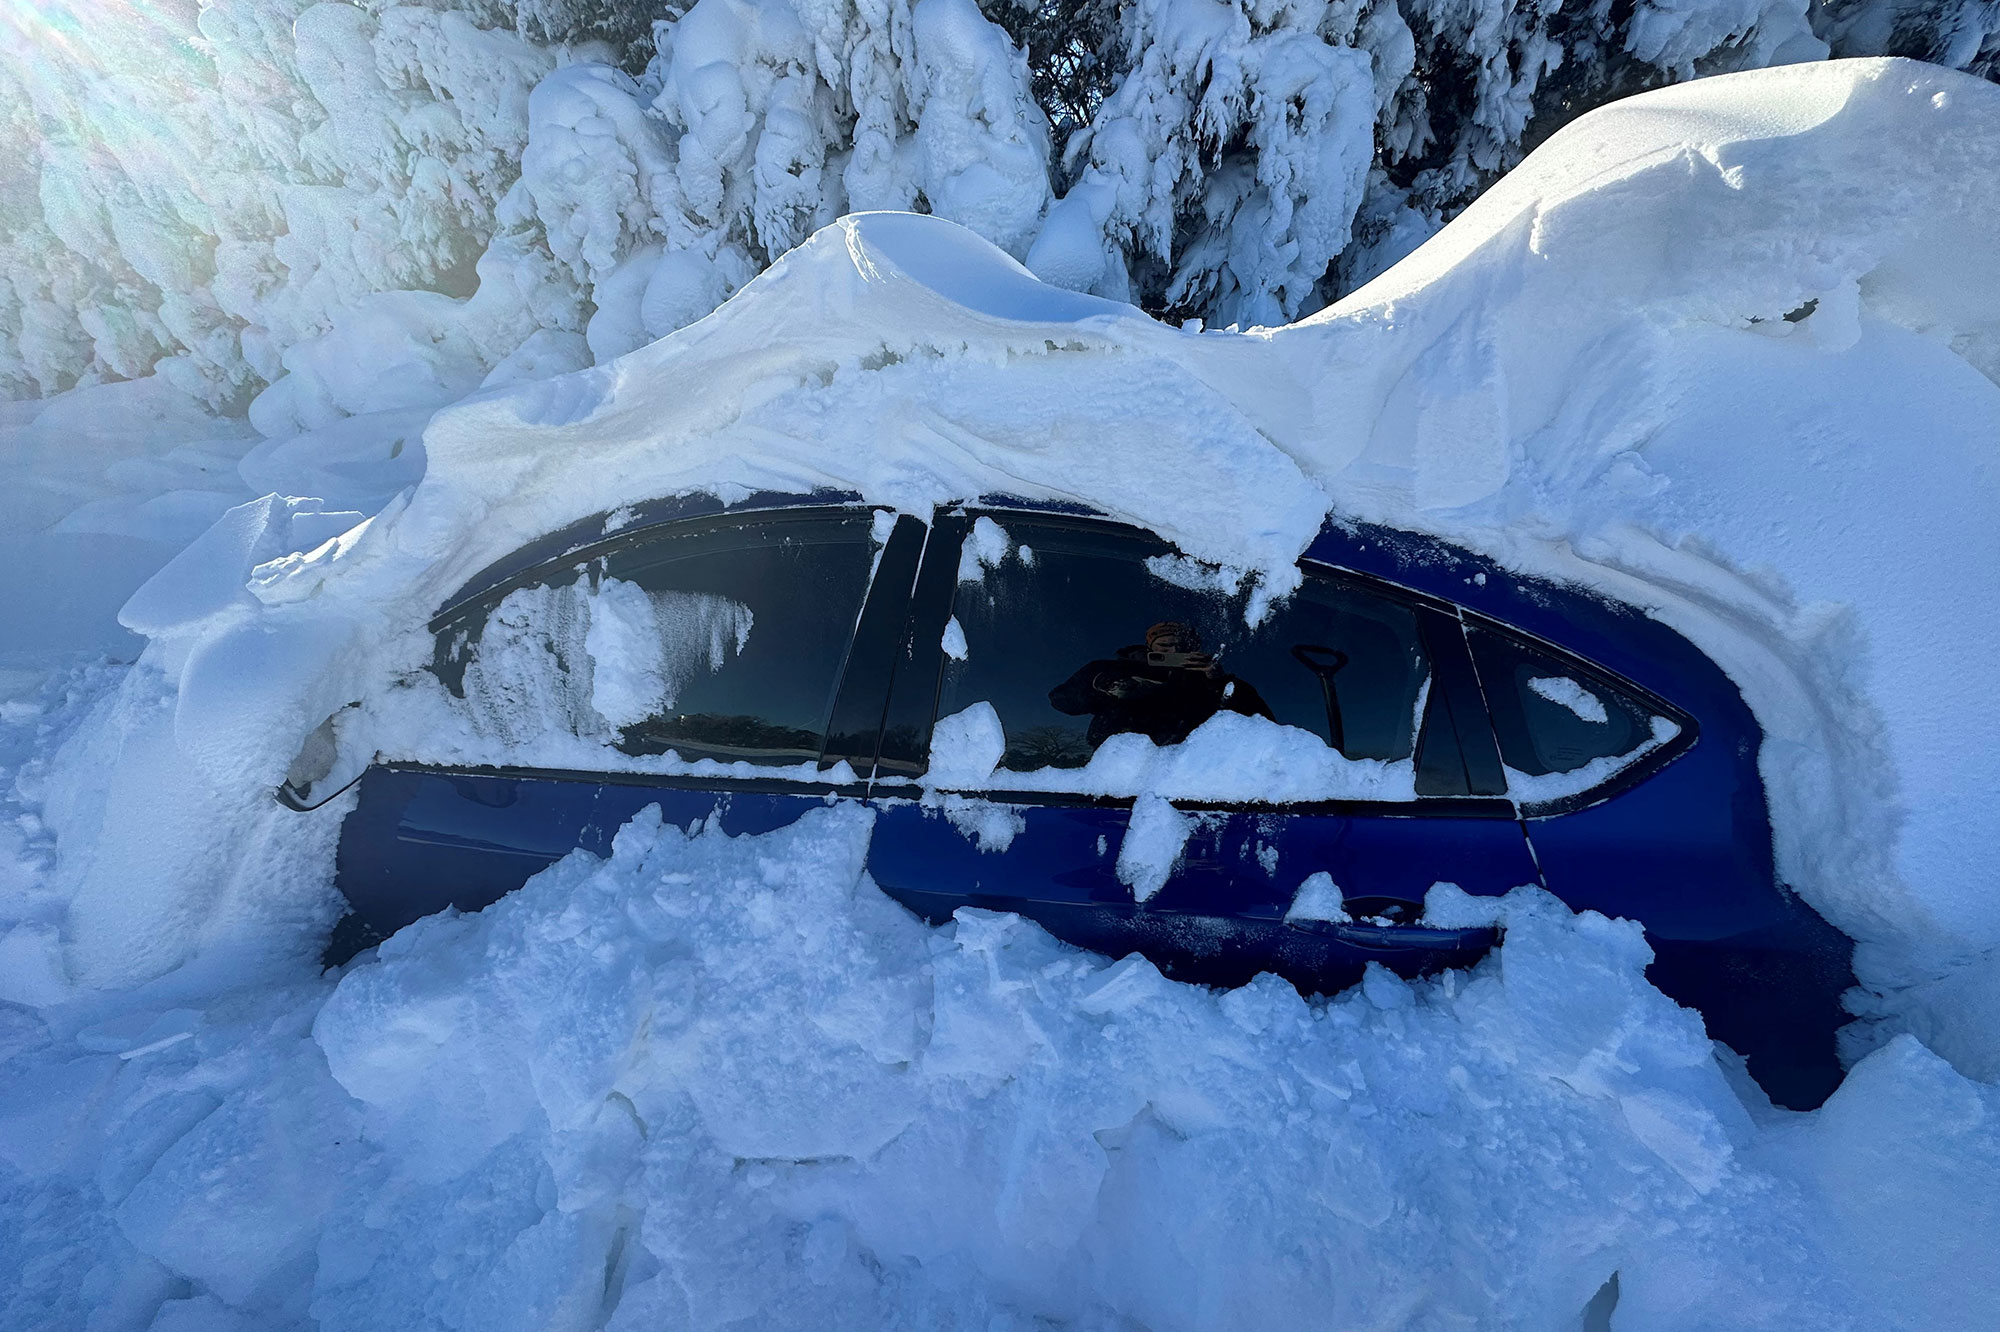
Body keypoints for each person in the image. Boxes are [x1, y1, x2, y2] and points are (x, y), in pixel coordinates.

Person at [1047, 621, 1273, 750]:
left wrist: (1218, 682)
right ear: (1150, 647)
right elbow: (1061, 700)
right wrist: (1103, 689)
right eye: (1164, 646)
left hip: (1194, 777)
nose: (1173, 651)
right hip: (1116, 772)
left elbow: (1264, 725)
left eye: (1181, 646)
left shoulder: (1213, 680)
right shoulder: (1112, 669)